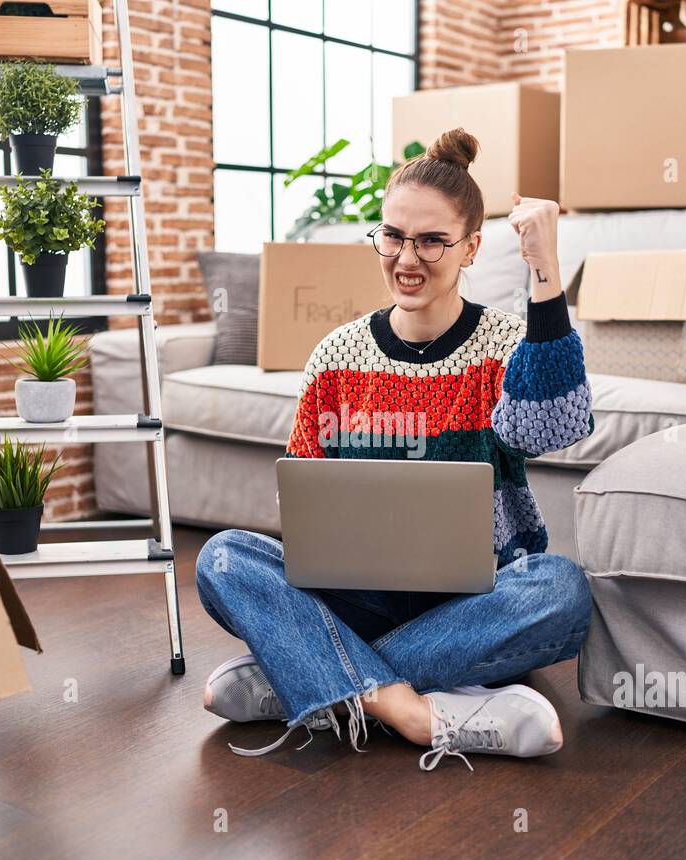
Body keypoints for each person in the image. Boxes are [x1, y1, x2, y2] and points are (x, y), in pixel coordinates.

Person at [196, 127, 595, 772]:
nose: (408, 258)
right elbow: (304, 493)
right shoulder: (336, 353)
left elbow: (552, 427)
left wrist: (544, 273)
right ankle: (412, 713)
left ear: (469, 248)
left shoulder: (502, 344)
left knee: (561, 591)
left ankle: (304, 678)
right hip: (356, 594)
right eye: (394, 236)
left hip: (476, 597)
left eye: (433, 240)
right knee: (223, 559)